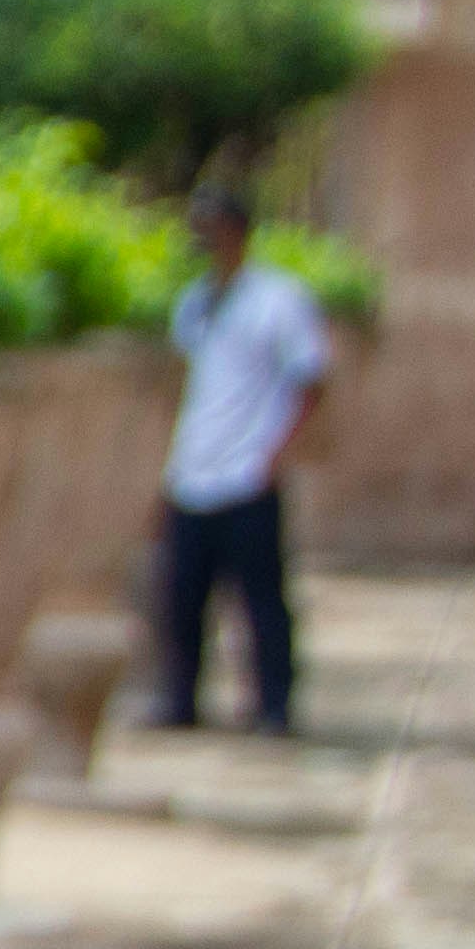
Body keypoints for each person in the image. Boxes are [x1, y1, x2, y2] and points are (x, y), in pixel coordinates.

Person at [156, 182, 329, 735]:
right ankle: (181, 700)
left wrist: (276, 454)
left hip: (248, 473)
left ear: (238, 231)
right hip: (193, 471)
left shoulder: (280, 300)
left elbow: (312, 381)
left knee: (261, 599)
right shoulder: (194, 302)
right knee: (183, 596)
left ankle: (274, 706)